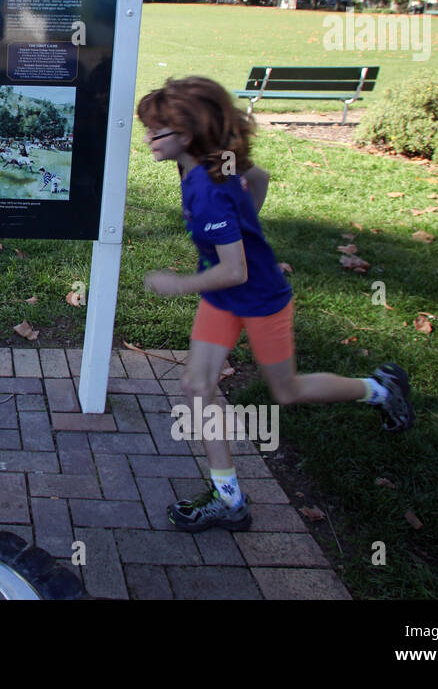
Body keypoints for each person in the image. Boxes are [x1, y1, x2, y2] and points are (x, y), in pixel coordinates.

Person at [137, 77, 414, 532]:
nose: (147, 139)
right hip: (222, 300)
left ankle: (381, 389)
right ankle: (229, 499)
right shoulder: (201, 165)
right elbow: (258, 178)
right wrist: (248, 223)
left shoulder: (207, 190)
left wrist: (178, 283)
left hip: (260, 300)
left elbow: (235, 270)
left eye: (154, 132)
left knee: (286, 392)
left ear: (186, 136)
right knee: (196, 387)